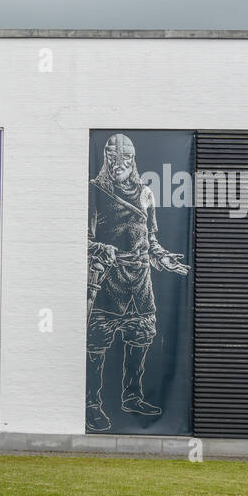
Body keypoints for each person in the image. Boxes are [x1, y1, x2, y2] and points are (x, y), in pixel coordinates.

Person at [87, 133, 189, 432]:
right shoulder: (95, 191)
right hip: (109, 279)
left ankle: (132, 396)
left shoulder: (145, 193)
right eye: (114, 159)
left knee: (141, 335)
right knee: (97, 342)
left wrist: (162, 257)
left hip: (141, 279)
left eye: (126, 159)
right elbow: (84, 238)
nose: (120, 164)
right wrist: (102, 250)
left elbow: (150, 238)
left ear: (133, 161)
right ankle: (92, 403)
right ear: (106, 159)